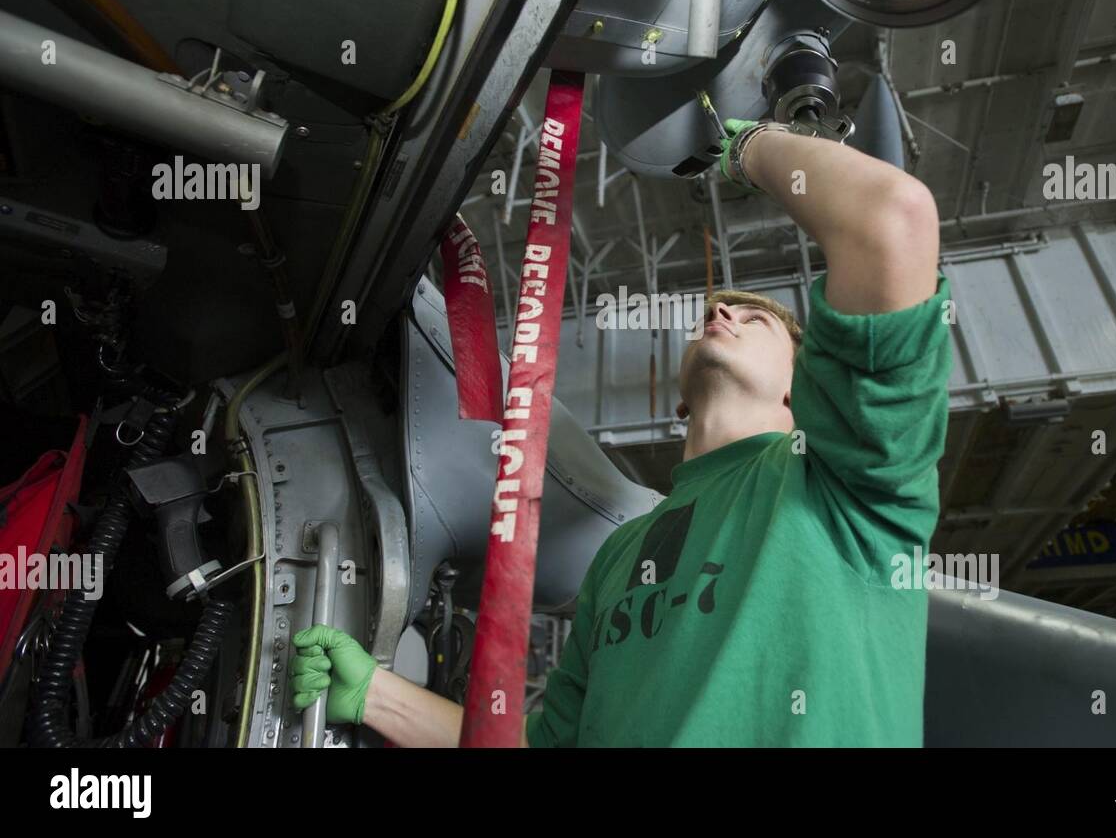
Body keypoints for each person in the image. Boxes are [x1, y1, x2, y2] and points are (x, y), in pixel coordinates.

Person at [291, 115, 951, 746]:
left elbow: (890, 218)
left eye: (759, 321)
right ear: (681, 403)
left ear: (799, 388)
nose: (722, 308)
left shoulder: (846, 477)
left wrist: (750, 143)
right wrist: (376, 694)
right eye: (717, 312)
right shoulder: (619, 557)